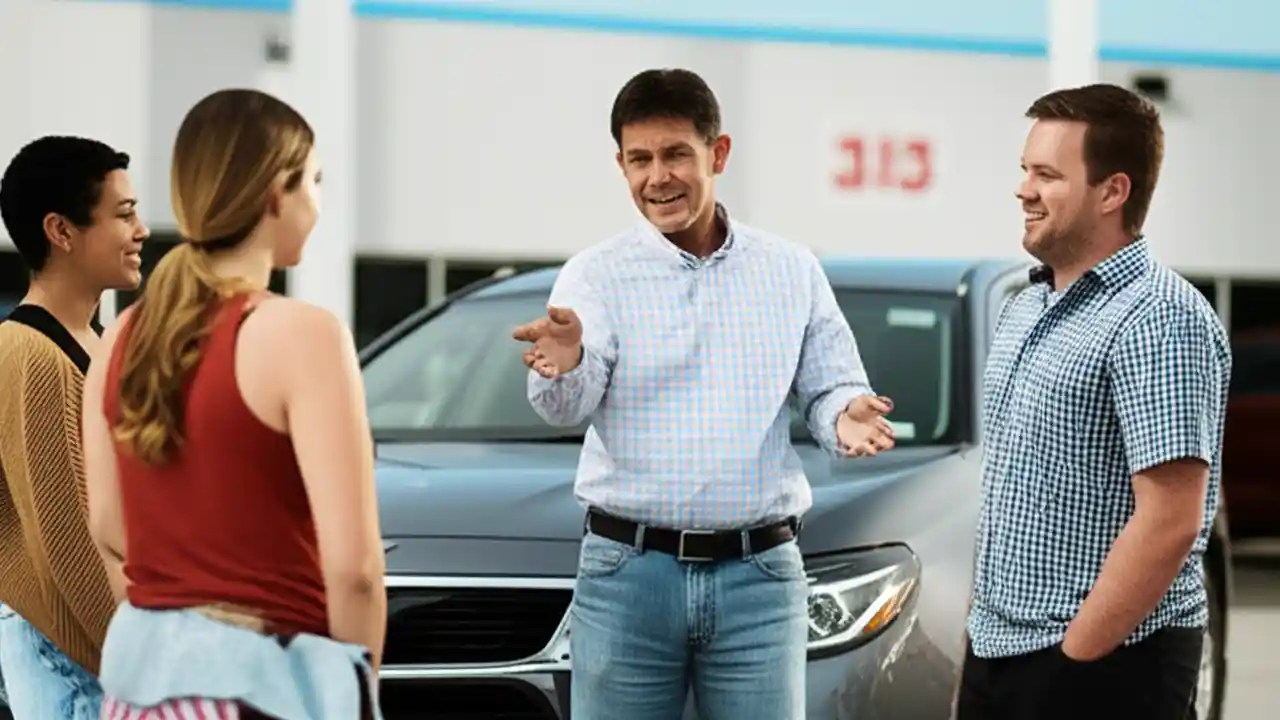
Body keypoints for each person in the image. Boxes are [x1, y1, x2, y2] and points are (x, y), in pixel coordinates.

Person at [513, 68, 895, 720]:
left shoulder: (789, 270)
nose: (657, 177)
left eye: (675, 155)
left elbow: (830, 387)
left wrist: (842, 415)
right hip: (627, 578)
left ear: (717, 153)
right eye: (639, 160)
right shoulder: (594, 277)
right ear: (621, 165)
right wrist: (567, 364)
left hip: (760, 581)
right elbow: (565, 407)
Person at [79, 88, 386, 719]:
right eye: (315, 181)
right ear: (277, 191)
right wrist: (353, 692)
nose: (319, 202)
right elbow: (354, 570)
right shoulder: (305, 335)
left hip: (139, 693)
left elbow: (109, 529)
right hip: (265, 687)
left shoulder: (119, 340)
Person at [957, 83, 1231, 719]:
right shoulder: (1027, 306)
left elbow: (1171, 519)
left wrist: (1073, 658)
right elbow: (1011, 492)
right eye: (1025, 170)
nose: (1023, 189)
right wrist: (981, 651)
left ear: (1112, 192)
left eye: (1047, 174)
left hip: (1104, 665)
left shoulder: (1160, 317)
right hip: (1001, 652)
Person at [0, 135, 148, 719]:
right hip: (69, 650)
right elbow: (65, 546)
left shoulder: (100, 340)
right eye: (124, 215)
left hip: (101, 647)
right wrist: (146, 662)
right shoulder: (28, 356)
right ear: (61, 231)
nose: (141, 232)